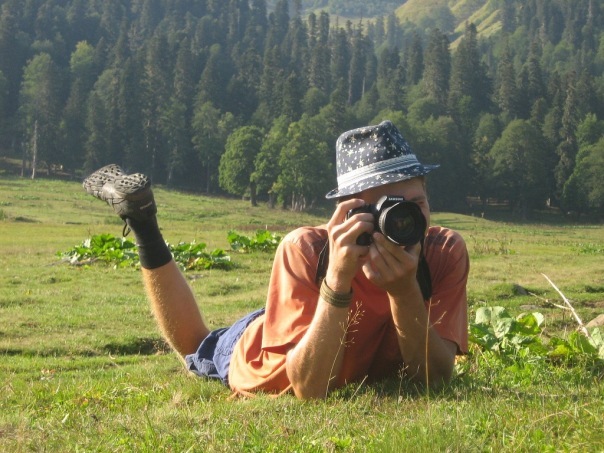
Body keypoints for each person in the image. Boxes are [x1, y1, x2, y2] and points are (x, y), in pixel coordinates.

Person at [83, 120, 469, 399]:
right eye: (387, 208)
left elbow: (434, 380)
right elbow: (310, 388)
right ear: (350, 211)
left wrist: (404, 292)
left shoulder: (442, 251)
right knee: (197, 345)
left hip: (304, 316)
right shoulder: (308, 250)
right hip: (267, 347)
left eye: (415, 204)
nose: (405, 221)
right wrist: (337, 281)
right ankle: (144, 224)